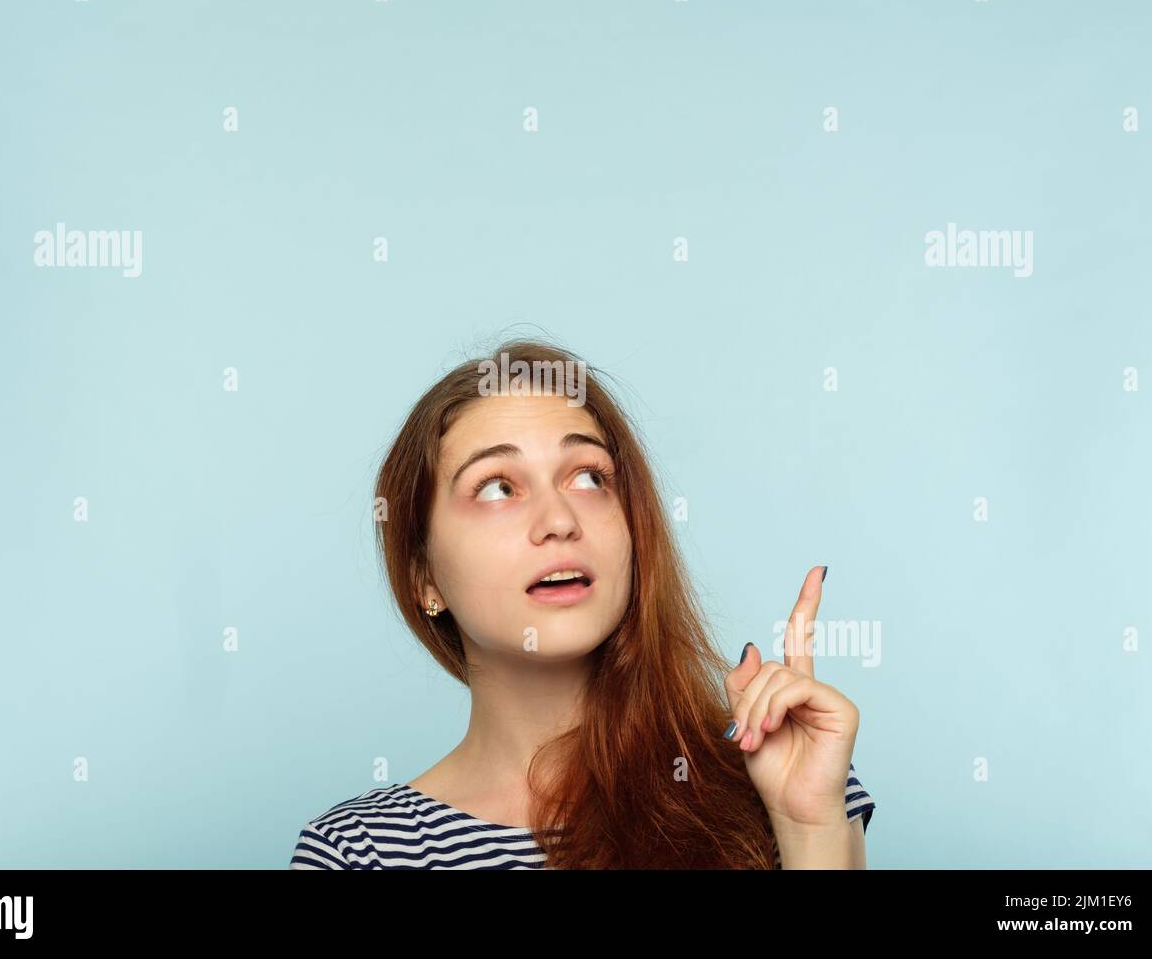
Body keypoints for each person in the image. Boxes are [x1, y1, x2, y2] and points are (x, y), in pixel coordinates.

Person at [291, 338, 875, 869]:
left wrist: (809, 830)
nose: (559, 521)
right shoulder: (358, 850)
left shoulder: (780, 784)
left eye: (589, 478)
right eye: (498, 487)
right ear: (425, 579)